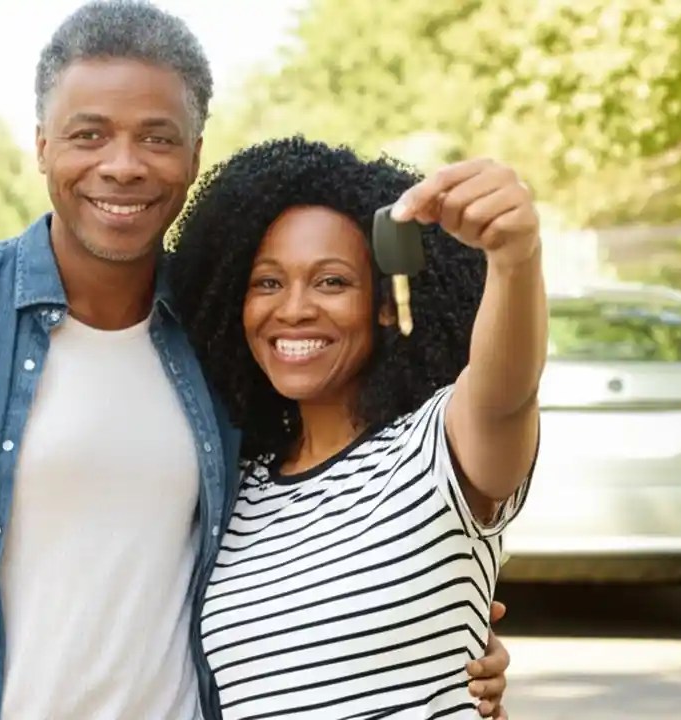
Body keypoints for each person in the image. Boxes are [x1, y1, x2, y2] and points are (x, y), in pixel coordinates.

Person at [0, 2, 511, 718]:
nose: (123, 165)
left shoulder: (225, 337)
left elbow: (310, 533)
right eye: (90, 135)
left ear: (194, 157)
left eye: (157, 138)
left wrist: (440, 642)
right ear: (43, 144)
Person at [167, 136, 544, 718]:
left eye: (331, 282)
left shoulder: (435, 450)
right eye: (267, 282)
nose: (293, 308)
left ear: (387, 305)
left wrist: (515, 258)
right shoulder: (232, 492)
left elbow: (507, 393)